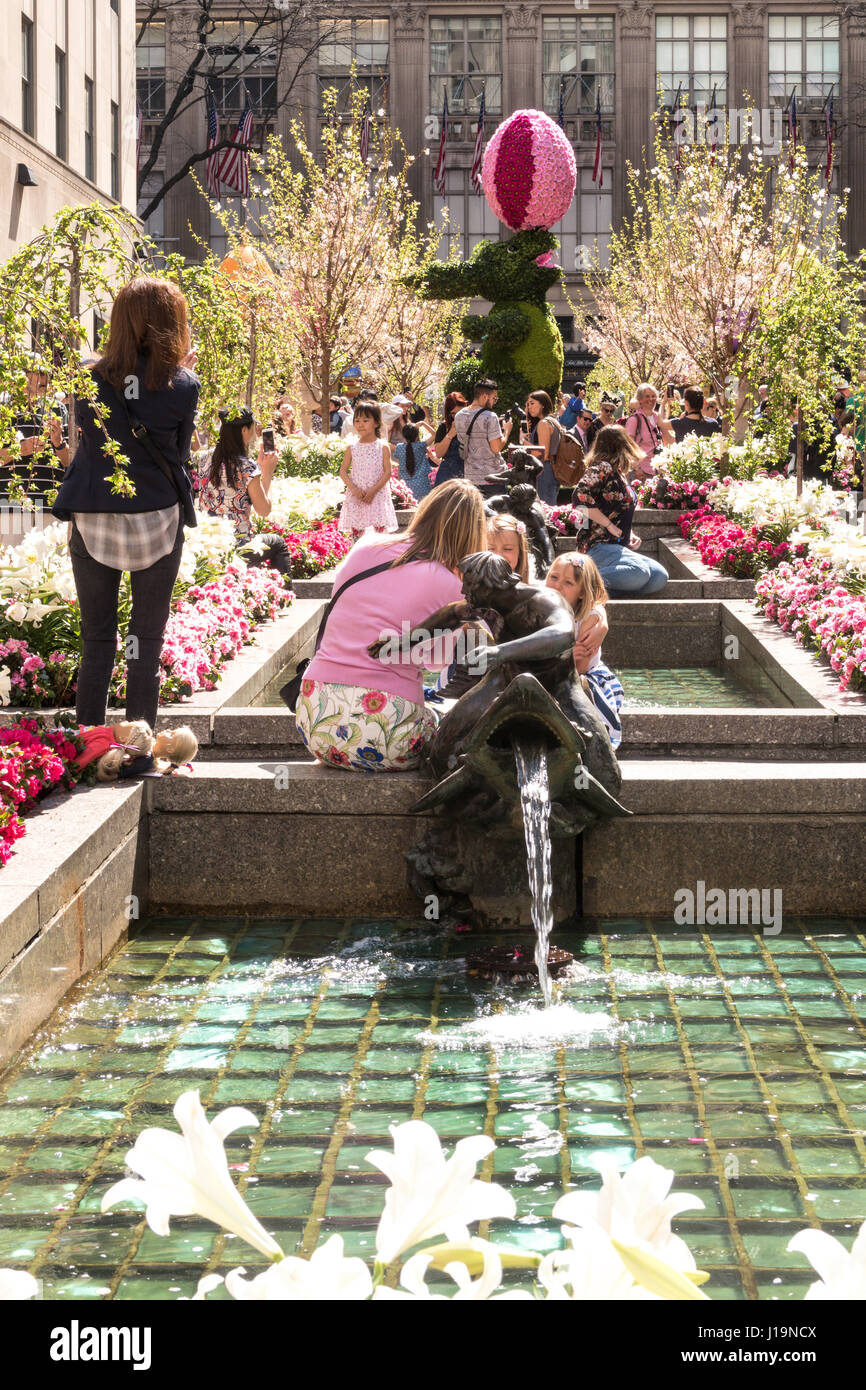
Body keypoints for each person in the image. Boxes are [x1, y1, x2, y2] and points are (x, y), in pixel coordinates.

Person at [51, 277, 199, 729]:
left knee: (98, 639)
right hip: (156, 517)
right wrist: (179, 376)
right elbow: (179, 454)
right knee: (144, 641)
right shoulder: (183, 385)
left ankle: (89, 741)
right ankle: (137, 745)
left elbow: (94, 431)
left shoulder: (87, 378)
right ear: (172, 323)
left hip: (94, 515)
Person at [295, 479, 487, 770]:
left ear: (425, 511)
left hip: (313, 723)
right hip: (385, 737)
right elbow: (436, 664)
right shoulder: (450, 586)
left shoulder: (365, 546)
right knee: (449, 725)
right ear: (472, 535)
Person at [572, 425, 668, 596]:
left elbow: (619, 511)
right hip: (597, 545)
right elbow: (579, 496)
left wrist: (629, 533)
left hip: (618, 547)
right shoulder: (602, 467)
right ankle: (577, 582)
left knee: (659, 576)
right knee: (639, 571)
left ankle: (599, 592)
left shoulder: (618, 474)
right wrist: (608, 525)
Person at [197, 407, 292, 576]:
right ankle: (283, 597)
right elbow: (263, 510)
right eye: (252, 427)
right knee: (279, 545)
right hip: (239, 545)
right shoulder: (246, 466)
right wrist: (267, 472)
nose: (254, 432)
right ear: (244, 429)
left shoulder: (204, 458)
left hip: (207, 543)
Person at [545, 552, 624, 748]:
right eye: (553, 577)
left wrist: (564, 657)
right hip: (551, 670)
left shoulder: (587, 619)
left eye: (568, 583)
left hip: (582, 675)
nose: (557, 586)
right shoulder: (542, 604)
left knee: (578, 690)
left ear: (582, 592)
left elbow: (578, 667)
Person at [0, 365, 69, 503]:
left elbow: (70, 462)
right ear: (22, 375)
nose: (46, 378)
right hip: (10, 505)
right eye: (40, 373)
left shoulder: (57, 409)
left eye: (48, 373)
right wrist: (19, 450)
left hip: (52, 506)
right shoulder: (3, 409)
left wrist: (58, 443)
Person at [338, 400, 398, 538]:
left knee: (379, 533)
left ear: (376, 423)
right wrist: (354, 489)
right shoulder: (352, 447)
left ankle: (379, 558)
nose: (360, 424)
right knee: (358, 533)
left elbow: (387, 472)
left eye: (365, 420)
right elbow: (343, 471)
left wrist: (372, 491)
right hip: (357, 496)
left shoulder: (382, 446)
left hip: (377, 495)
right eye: (357, 420)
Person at [453, 378, 514, 489]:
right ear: (485, 396)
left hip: (471, 478)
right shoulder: (490, 416)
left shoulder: (459, 416)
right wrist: (507, 431)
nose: (494, 402)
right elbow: (496, 448)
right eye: (494, 398)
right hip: (493, 477)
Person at [624, 384, 674, 479]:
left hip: (658, 471)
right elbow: (628, 446)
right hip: (641, 472)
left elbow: (668, 439)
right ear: (639, 399)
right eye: (647, 396)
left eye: (653, 396)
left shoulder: (658, 418)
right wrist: (637, 469)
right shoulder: (634, 420)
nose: (651, 399)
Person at [523, 390, 562, 505]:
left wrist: (523, 442)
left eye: (532, 403)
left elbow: (543, 454)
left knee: (544, 510)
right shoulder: (553, 421)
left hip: (545, 471)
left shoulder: (544, 423)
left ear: (542, 404)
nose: (529, 407)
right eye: (528, 404)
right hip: (551, 470)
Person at [429, 390, 467, 487]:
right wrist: (450, 434)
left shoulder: (475, 424)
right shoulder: (444, 427)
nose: (458, 417)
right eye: (454, 414)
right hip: (447, 476)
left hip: (469, 475)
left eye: (461, 412)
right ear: (449, 413)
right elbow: (439, 453)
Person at [393, 422, 432, 504]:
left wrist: (400, 482)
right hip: (422, 483)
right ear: (417, 435)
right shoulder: (421, 446)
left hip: (407, 485)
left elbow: (400, 466)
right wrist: (423, 423)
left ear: (404, 435)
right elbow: (435, 435)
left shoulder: (399, 447)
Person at [487, 512, 530, 581]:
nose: (498, 555)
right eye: (490, 549)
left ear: (520, 552)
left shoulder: (532, 589)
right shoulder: (470, 588)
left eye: (507, 549)